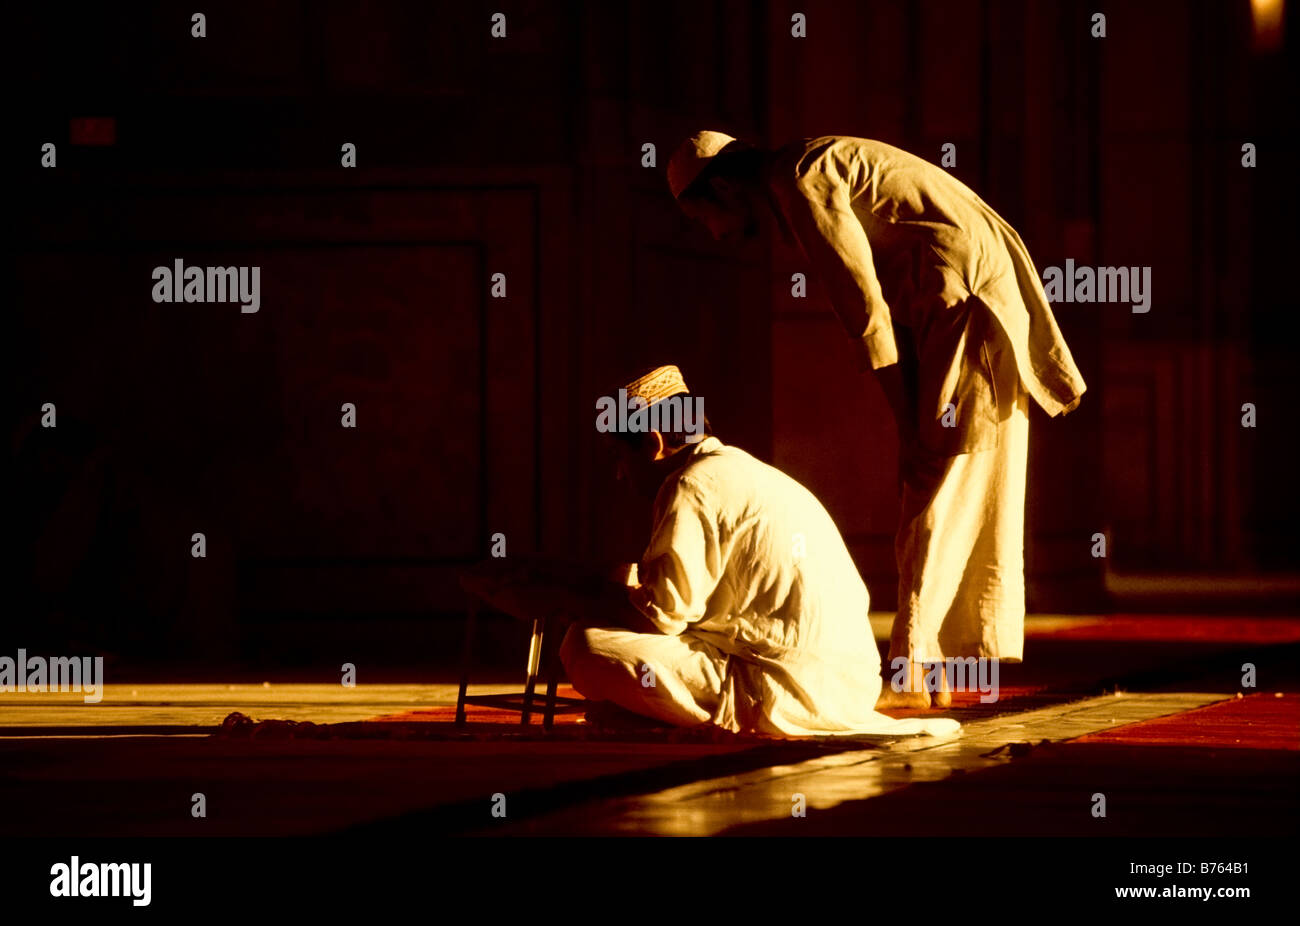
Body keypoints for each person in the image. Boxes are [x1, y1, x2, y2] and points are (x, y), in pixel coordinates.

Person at [667, 132, 1087, 707]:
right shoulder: (805, 168)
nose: (713, 234)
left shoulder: (798, 179)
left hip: (968, 304)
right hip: (963, 300)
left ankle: (916, 674)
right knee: (945, 484)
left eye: (703, 217)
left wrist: (908, 422)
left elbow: (865, 310)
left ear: (722, 186)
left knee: (938, 479)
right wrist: (909, 412)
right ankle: (931, 671)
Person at [558, 364, 958, 737]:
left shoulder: (690, 486)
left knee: (585, 644)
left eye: (620, 456)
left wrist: (572, 597)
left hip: (779, 687)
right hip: (849, 683)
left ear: (654, 442)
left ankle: (687, 716)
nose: (618, 473)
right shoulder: (743, 470)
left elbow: (663, 616)